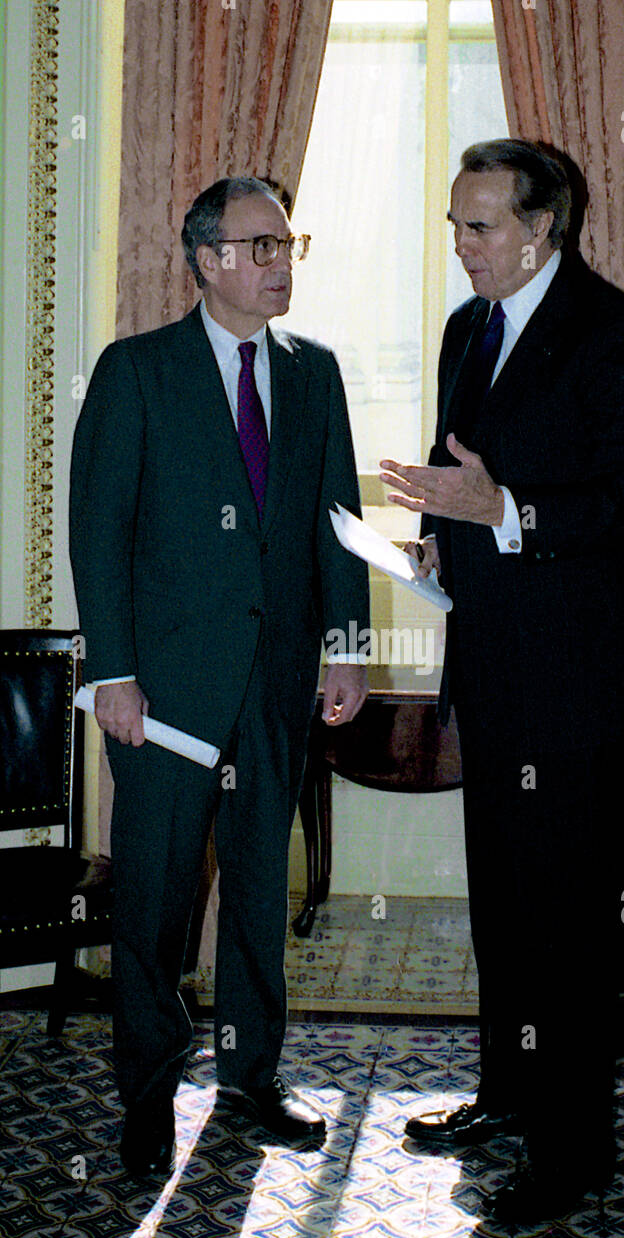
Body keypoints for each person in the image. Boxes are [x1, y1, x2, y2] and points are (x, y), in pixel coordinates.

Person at [380, 140, 624, 1225]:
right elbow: (464, 464)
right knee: (504, 910)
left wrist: (507, 515)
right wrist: (433, 543)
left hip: (574, 684)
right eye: (455, 224)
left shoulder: (620, 331)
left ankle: (574, 1151)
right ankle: (507, 1093)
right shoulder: (472, 325)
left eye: (481, 226)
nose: (461, 246)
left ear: (543, 227)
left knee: (564, 925)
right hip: (492, 673)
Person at [70, 176, 369, 1178]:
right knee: (154, 901)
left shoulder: (316, 375)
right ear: (206, 261)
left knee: (252, 895)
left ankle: (250, 1080)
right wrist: (112, 671)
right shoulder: (137, 372)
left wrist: (350, 644)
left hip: (276, 686)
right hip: (161, 697)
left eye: (290, 244)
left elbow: (336, 522)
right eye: (263, 246)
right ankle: (148, 1097)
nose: (283, 262)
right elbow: (99, 532)